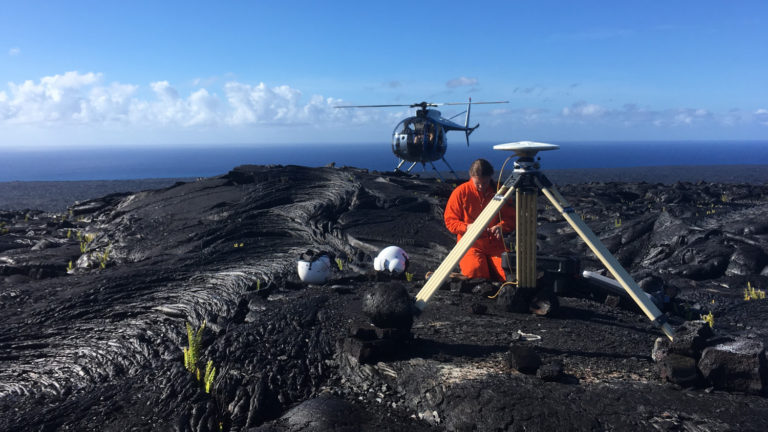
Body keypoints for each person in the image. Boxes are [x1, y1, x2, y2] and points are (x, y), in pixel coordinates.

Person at [444, 159, 516, 281]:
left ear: (490, 177)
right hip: (470, 245)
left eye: (486, 183)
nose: (482, 187)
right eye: (478, 183)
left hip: (495, 244)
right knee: (477, 274)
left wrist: (501, 227)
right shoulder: (460, 192)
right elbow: (450, 221)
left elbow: (511, 218)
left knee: (509, 274)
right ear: (471, 177)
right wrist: (467, 228)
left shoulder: (499, 191)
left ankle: (488, 271)